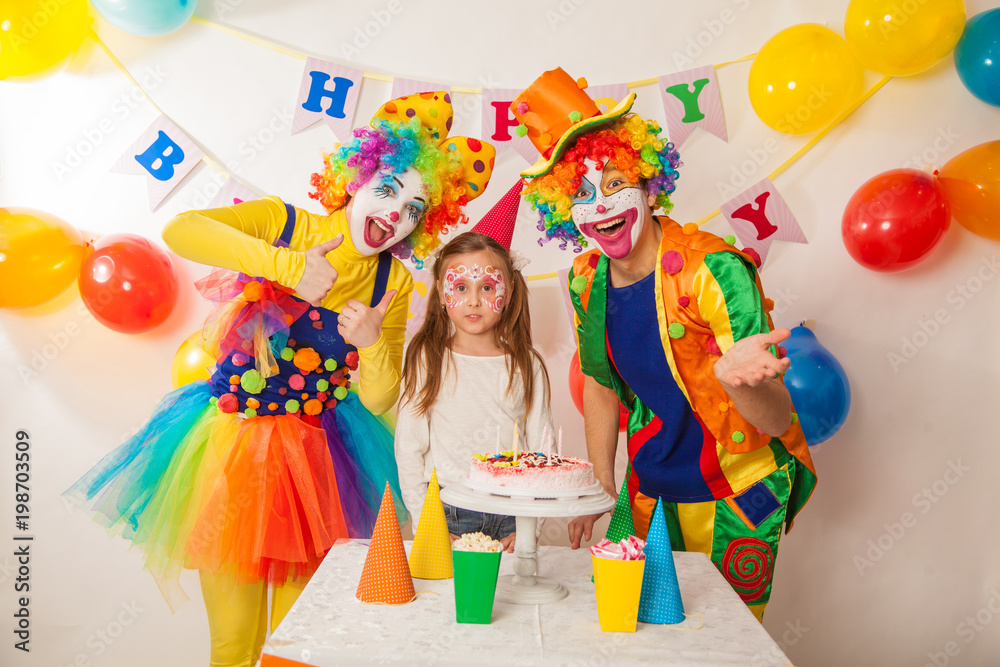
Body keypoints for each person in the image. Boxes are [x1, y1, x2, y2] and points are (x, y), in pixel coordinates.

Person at [65, 92, 494, 666]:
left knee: (296, 645)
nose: (395, 213)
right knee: (234, 645)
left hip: (320, 466)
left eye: (415, 208)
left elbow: (379, 396)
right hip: (232, 453)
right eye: (388, 189)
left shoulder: (390, 286)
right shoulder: (282, 223)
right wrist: (288, 265)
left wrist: (372, 345)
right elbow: (182, 230)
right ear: (356, 179)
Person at [511, 68, 817, 621]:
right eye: (579, 194)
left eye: (613, 184)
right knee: (631, 628)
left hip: (737, 490)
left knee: (716, 641)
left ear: (650, 184)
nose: (600, 206)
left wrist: (738, 380)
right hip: (647, 489)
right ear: (564, 212)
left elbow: (773, 422)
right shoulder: (587, 279)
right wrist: (600, 483)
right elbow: (602, 385)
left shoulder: (714, 270)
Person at [395, 185, 554, 554]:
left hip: (513, 513)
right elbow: (409, 448)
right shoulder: (427, 358)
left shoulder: (527, 365)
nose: (474, 301)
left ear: (510, 290)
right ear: (440, 290)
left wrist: (533, 526)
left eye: (487, 286)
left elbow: (542, 452)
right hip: (449, 514)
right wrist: (428, 522)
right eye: (461, 286)